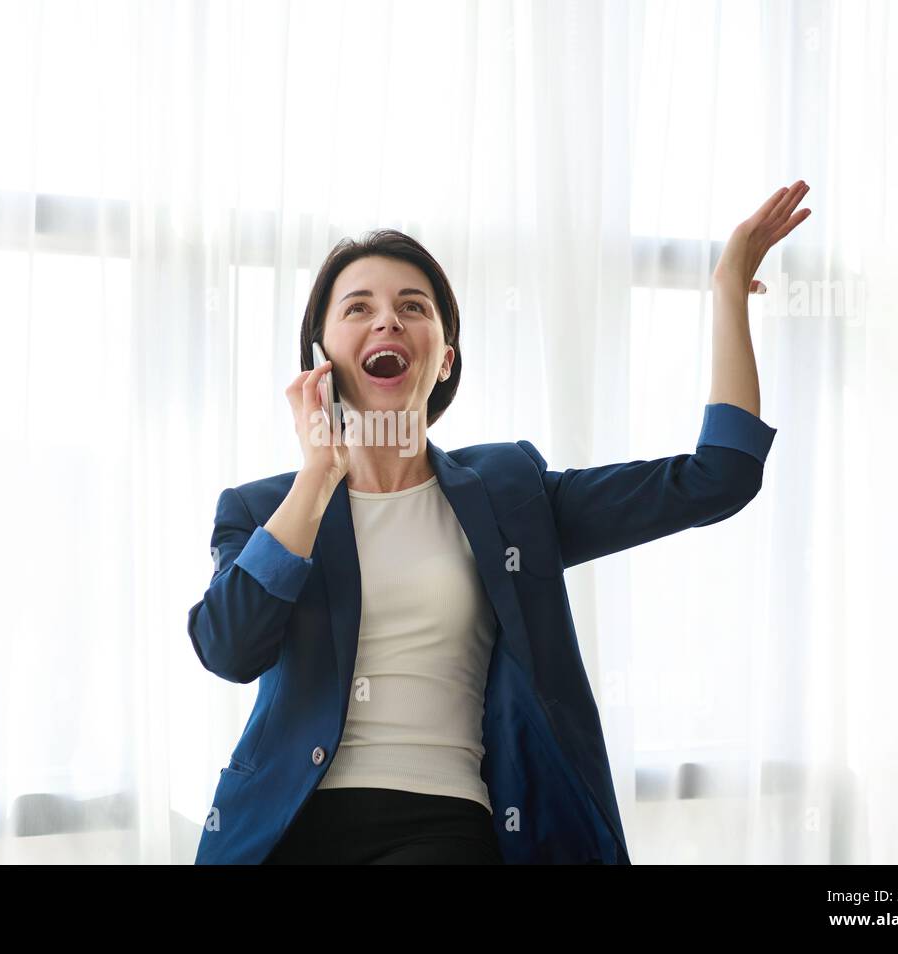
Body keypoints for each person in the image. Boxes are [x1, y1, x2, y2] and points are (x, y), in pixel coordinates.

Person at [188, 182, 807, 864]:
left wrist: (726, 289)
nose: (387, 321)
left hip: (441, 827)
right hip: (286, 832)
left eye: (412, 307)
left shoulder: (510, 495)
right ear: (320, 360)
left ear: (445, 357)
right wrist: (316, 476)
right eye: (358, 307)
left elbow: (718, 477)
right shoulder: (259, 510)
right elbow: (227, 649)